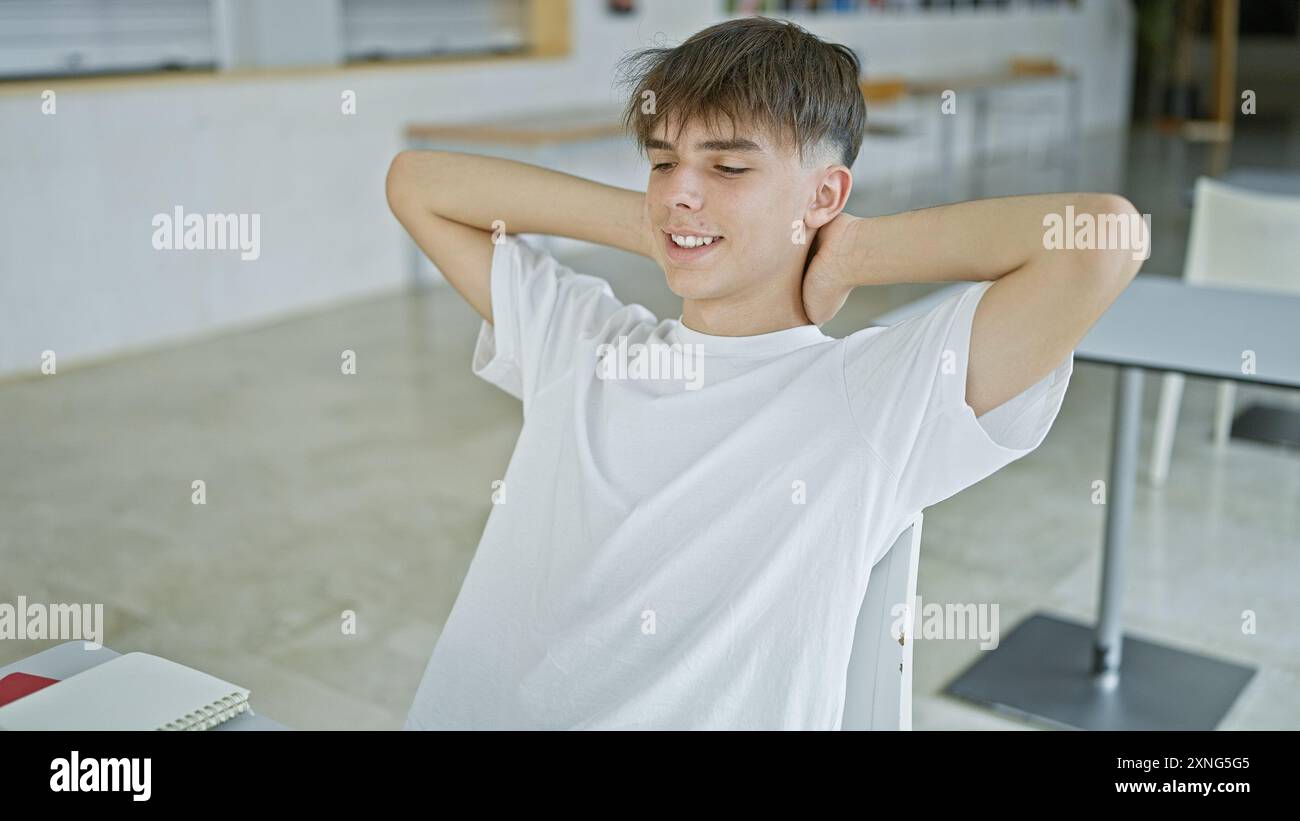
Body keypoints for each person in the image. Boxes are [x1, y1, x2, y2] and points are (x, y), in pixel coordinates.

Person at [386, 17, 1143, 730]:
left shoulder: (867, 398)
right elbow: (418, 182)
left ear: (825, 195)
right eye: (661, 161)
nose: (682, 186)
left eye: (729, 165)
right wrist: (666, 227)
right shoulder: (583, 343)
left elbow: (1102, 238)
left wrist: (849, 252)